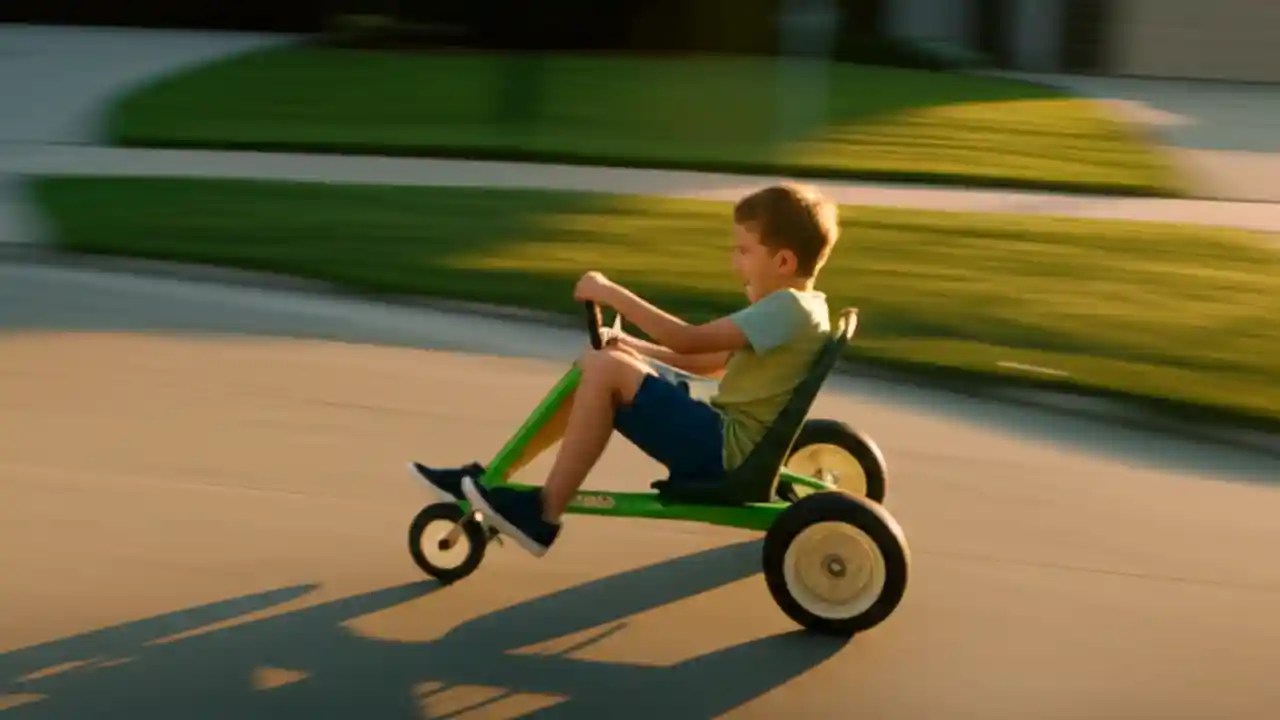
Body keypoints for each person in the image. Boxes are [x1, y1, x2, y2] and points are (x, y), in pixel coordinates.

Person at [410, 183, 839, 557]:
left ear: (783, 262)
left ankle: (543, 513)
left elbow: (687, 340)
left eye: (744, 251)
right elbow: (706, 362)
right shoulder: (802, 307)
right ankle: (494, 480)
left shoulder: (785, 310)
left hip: (725, 455)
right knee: (603, 363)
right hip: (728, 441)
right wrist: (631, 346)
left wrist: (610, 293)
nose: (735, 262)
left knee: (603, 371)